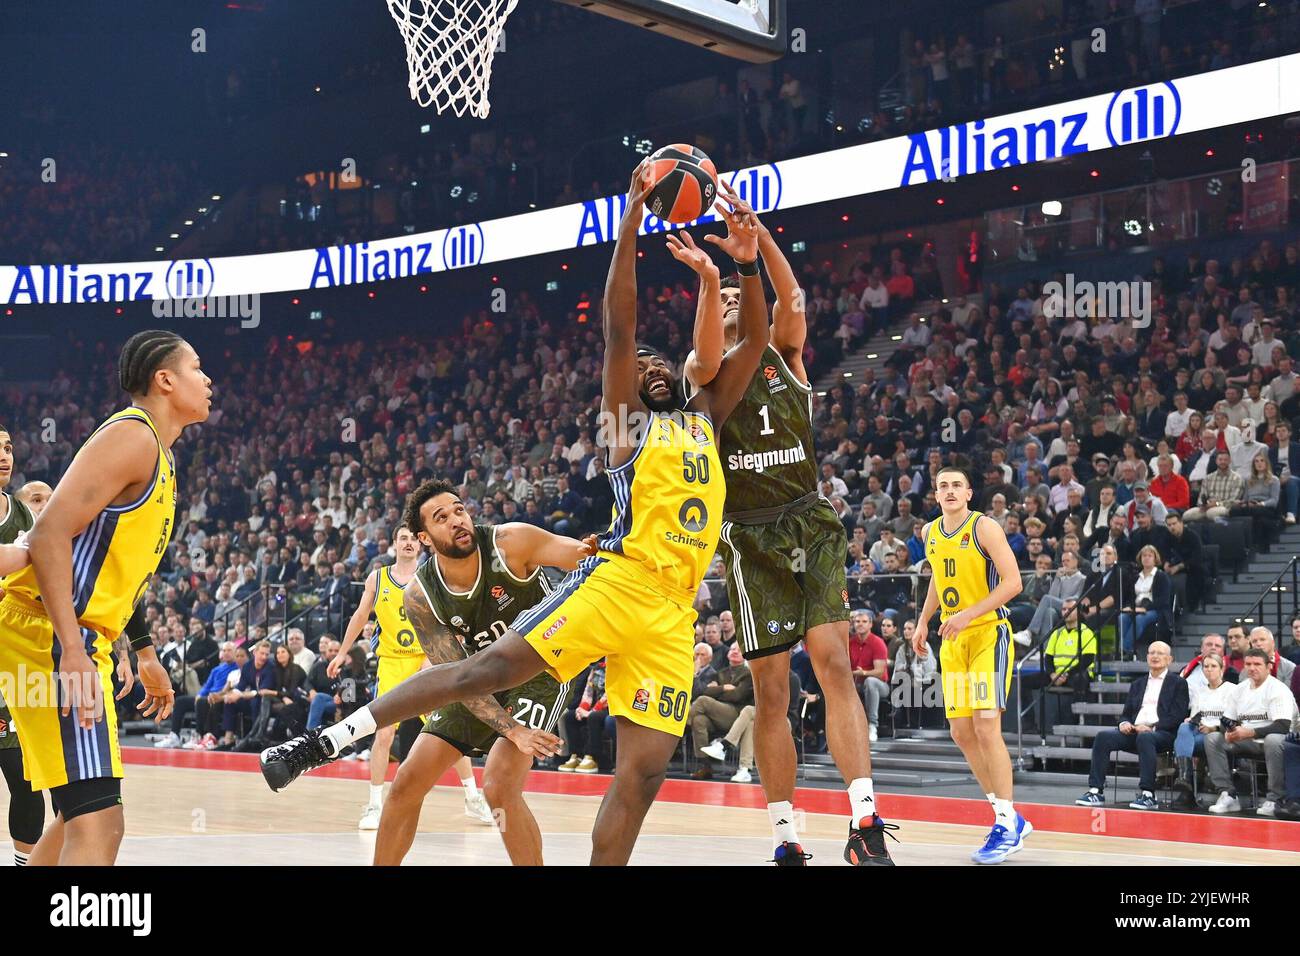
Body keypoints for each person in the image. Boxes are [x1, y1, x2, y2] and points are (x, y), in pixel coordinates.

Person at [262, 166, 770, 867]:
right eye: (642, 364)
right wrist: (629, 222)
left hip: (674, 614)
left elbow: (751, 345)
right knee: (484, 670)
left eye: (663, 361)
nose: (651, 367)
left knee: (644, 774)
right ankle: (323, 742)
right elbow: (620, 325)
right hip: (619, 582)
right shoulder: (626, 426)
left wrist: (743, 266)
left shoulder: (708, 417)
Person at [686, 183, 894, 863]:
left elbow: (793, 301)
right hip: (751, 536)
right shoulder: (705, 374)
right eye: (723, 306)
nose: (739, 308)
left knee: (834, 662)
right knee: (770, 690)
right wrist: (719, 279)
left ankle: (864, 822)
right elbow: (711, 351)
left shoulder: (789, 352)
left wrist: (760, 240)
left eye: (743, 303)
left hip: (809, 521)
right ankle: (785, 835)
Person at [0, 331, 209, 865]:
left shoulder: (159, 454)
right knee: (99, 823)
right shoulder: (133, 436)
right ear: (165, 379)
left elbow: (112, 564)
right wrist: (71, 650)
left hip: (70, 634)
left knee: (80, 814)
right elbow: (48, 535)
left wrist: (142, 650)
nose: (207, 380)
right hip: (48, 631)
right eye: (196, 368)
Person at [374, 479, 595, 865]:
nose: (457, 520)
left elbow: (587, 559)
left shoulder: (512, 542)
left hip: (544, 667)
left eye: (459, 509)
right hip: (479, 676)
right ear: (425, 539)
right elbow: (456, 677)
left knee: (498, 784)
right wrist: (511, 728)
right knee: (405, 782)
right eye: (441, 518)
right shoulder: (420, 596)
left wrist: (595, 548)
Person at [330, 525, 490, 828]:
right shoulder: (377, 579)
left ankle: (473, 798)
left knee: (450, 731)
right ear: (394, 544)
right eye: (403, 538)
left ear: (421, 545)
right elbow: (360, 616)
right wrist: (341, 652)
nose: (408, 543)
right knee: (383, 733)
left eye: (413, 539)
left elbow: (449, 623)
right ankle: (375, 805)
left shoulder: (432, 577)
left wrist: (433, 659)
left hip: (426, 663)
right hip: (392, 664)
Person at [913, 466, 1030, 863]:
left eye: (956, 486)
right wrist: (922, 621)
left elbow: (1014, 583)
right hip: (952, 640)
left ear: (968, 493)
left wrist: (967, 614)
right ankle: (1009, 817)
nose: (948, 491)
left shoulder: (985, 528)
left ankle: (1004, 822)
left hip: (987, 634)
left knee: (985, 722)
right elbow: (937, 580)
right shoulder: (930, 532)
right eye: (942, 485)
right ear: (935, 493)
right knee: (962, 733)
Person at [1075, 642, 1188, 810]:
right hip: (1135, 731)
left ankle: (1148, 794)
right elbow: (1126, 713)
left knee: (1145, 737)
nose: (1155, 656)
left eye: (1160, 653)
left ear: (1169, 659)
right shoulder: (1138, 684)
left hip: (1162, 734)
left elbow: (1177, 716)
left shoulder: (1178, 683)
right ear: (1147, 657)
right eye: (1151, 653)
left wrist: (1151, 727)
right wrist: (1124, 723)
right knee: (1103, 737)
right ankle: (1095, 790)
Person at [0, 434, 43, 866]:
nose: (3, 455)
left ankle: (22, 863)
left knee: (25, 778)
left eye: (9, 448)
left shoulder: (25, 520)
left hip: (14, 671)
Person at [1205, 648, 1297, 816]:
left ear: (1268, 667)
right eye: (1248, 664)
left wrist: (1249, 732)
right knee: (1213, 738)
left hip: (1281, 741)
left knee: (1273, 739)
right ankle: (1228, 795)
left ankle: (1274, 799)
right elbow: (1225, 719)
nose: (1252, 668)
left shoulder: (1277, 689)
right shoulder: (1240, 689)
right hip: (1248, 740)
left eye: (1257, 664)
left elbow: (1282, 726)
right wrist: (1230, 730)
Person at [688, 642, 754, 779]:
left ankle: (681, 725)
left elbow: (737, 696)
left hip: (737, 715)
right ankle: (705, 766)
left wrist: (716, 691)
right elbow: (705, 690)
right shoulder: (720, 673)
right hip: (718, 713)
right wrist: (723, 688)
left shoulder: (749, 674)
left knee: (703, 701)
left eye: (739, 649)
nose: (735, 651)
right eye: (732, 649)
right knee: (699, 720)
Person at [1173, 652, 1232, 800]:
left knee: (1180, 743)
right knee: (1183, 727)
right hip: (1199, 732)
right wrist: (1192, 721)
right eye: (1206, 666)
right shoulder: (1200, 691)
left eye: (1213, 666)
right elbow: (1196, 716)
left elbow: (1234, 719)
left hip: (1220, 734)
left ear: (1221, 668)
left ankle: (1186, 778)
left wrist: (1213, 728)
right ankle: (1185, 778)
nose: (1209, 669)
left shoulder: (1232, 690)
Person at [1118, 545, 1173, 656]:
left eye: (1150, 556)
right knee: (1122, 617)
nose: (1146, 558)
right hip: (1136, 607)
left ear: (1155, 559)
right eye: (1144, 555)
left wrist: (1145, 608)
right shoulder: (1135, 577)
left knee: (1140, 619)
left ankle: (1124, 649)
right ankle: (1125, 650)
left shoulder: (1161, 576)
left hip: (1155, 610)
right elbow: (1129, 596)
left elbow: (1164, 600)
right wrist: (1129, 606)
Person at [848, 610, 890, 741]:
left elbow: (880, 672)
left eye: (864, 621)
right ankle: (848, 727)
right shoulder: (850, 643)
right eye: (857, 622)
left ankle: (872, 725)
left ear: (870, 624)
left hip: (880, 685)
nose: (860, 624)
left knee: (870, 682)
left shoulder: (877, 642)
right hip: (857, 683)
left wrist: (864, 673)